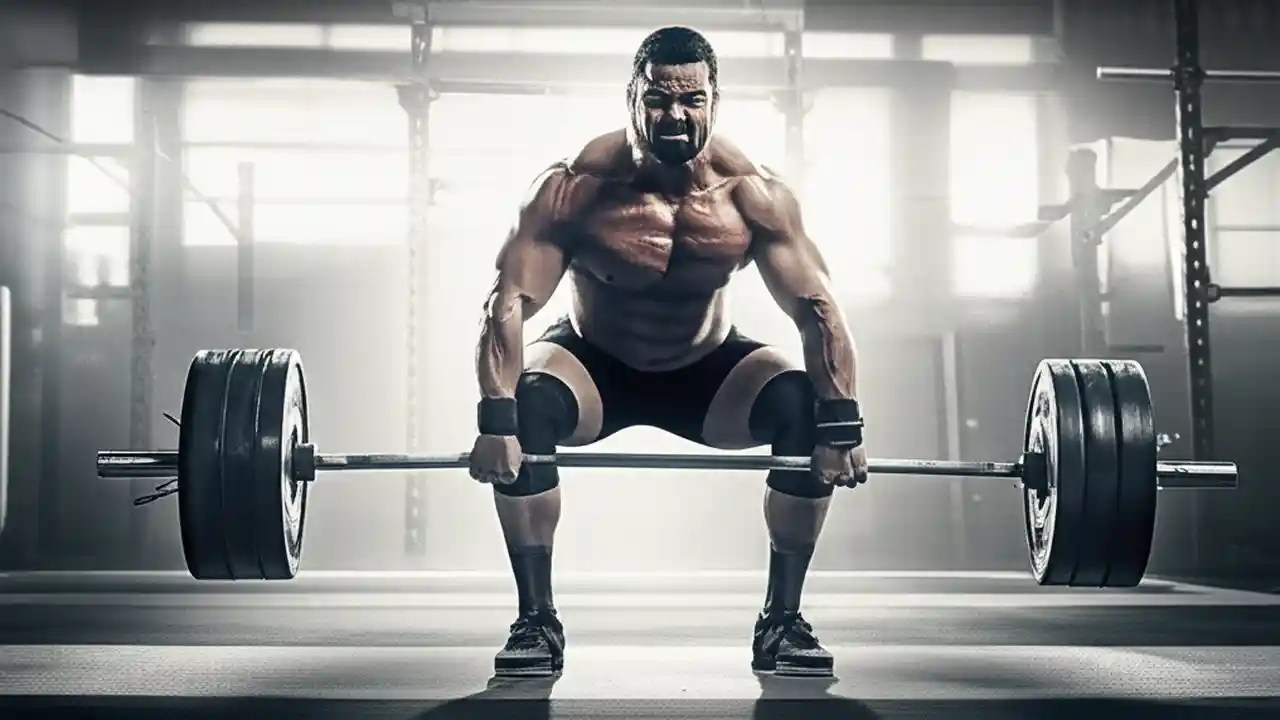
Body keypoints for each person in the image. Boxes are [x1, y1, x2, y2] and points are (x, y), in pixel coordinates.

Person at [468, 25, 868, 678]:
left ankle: (782, 622)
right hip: (592, 367)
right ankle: (537, 622)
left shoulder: (752, 194)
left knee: (801, 400)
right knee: (528, 399)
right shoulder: (573, 189)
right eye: (658, 100)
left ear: (715, 100)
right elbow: (508, 302)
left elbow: (817, 308)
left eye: (691, 100)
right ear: (631, 96)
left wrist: (841, 423)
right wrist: (496, 420)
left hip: (707, 374)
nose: (675, 115)